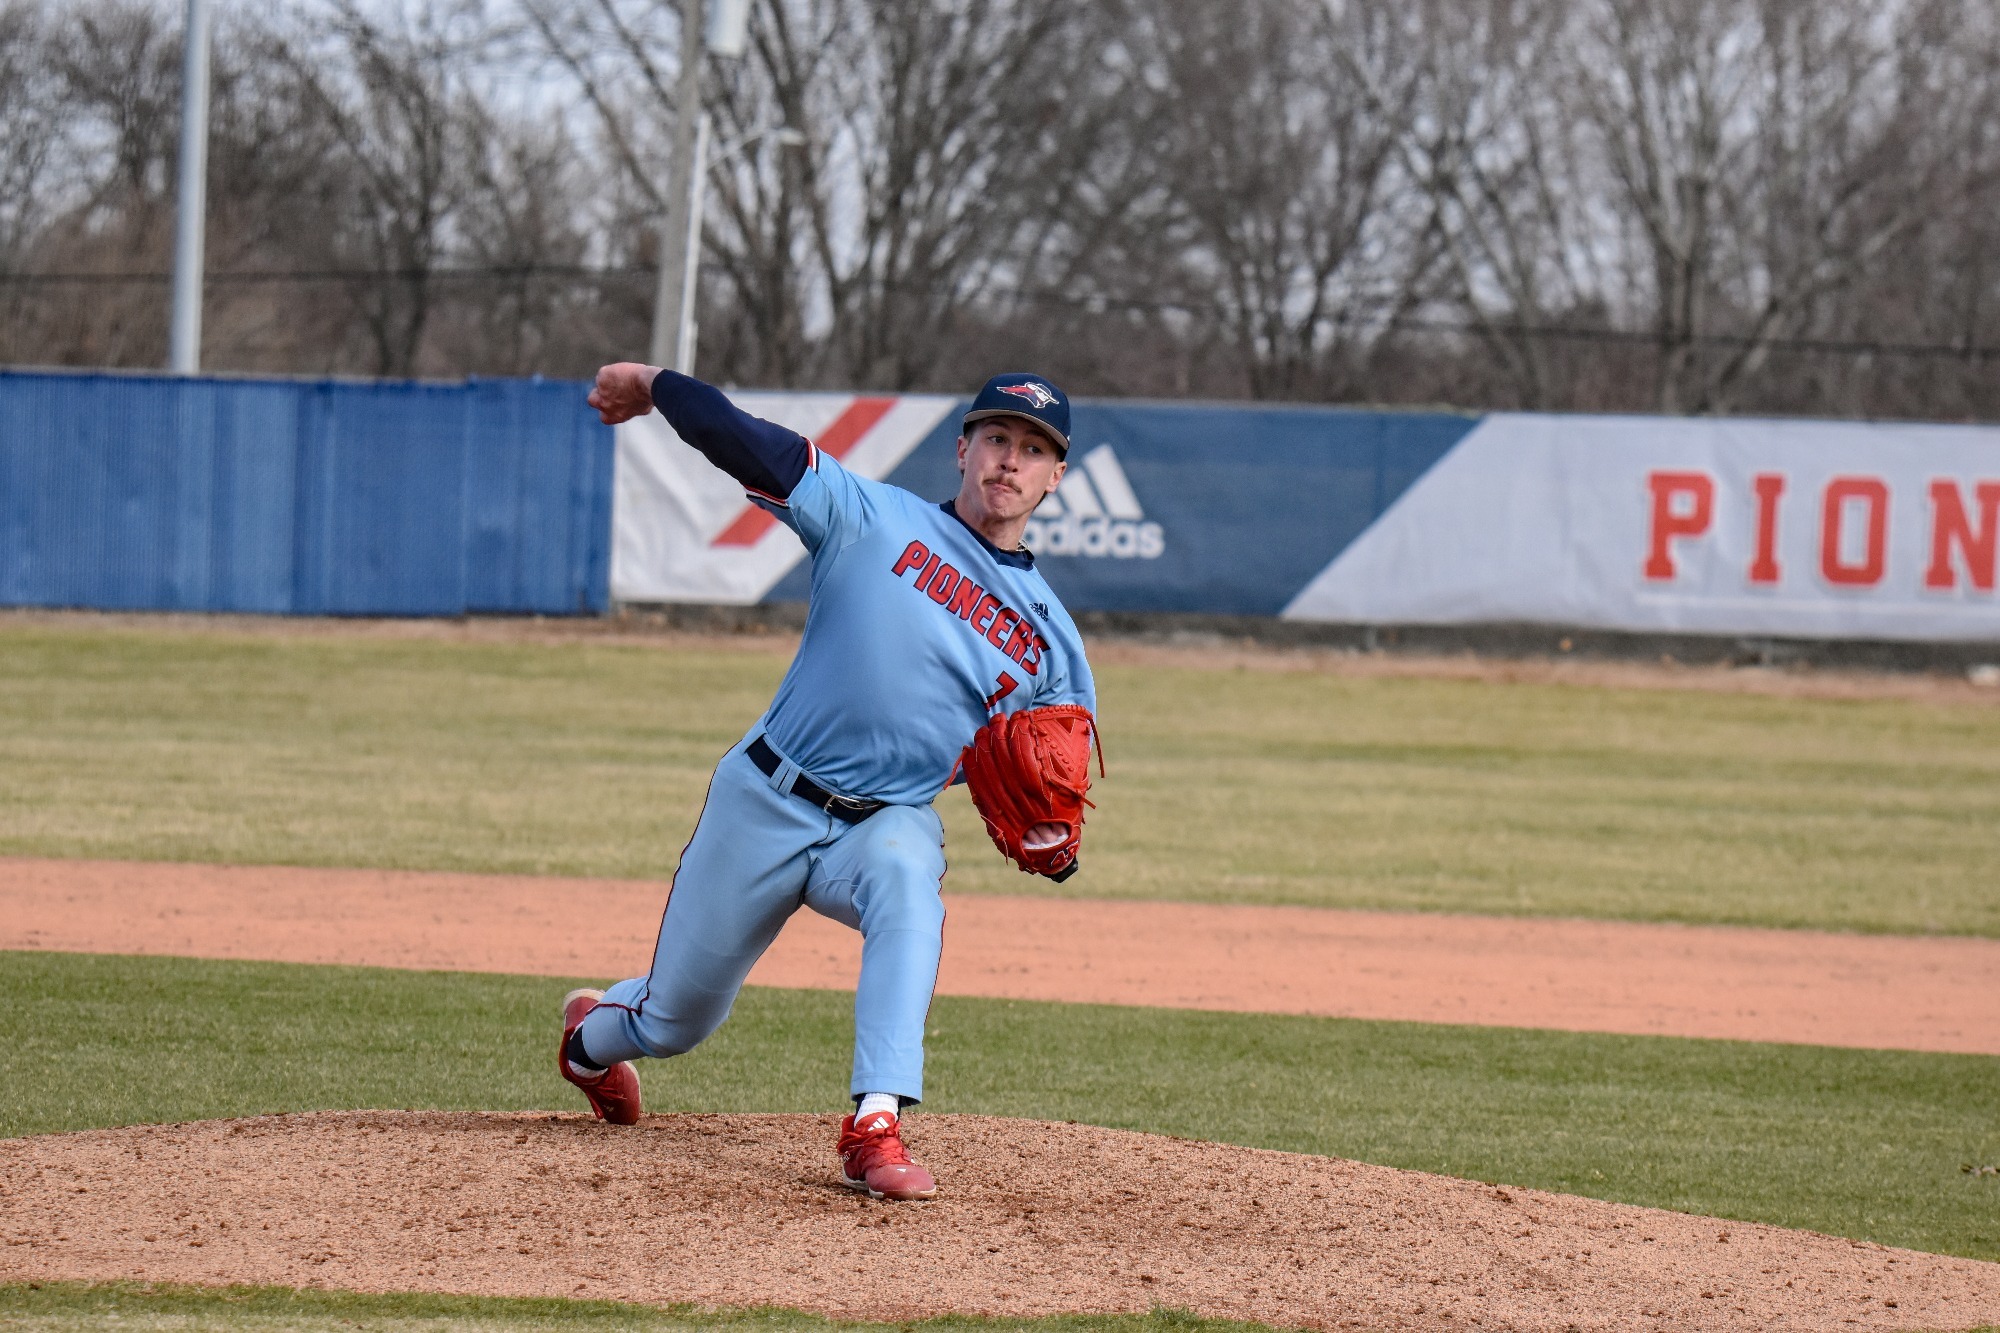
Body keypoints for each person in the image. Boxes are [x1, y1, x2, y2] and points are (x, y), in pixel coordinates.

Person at [560, 363, 1097, 1201]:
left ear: (1055, 476)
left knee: (910, 881)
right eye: (997, 437)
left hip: (883, 822)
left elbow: (1056, 805)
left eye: (1034, 449)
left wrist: (1050, 845)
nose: (1010, 461)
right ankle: (589, 1041)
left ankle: (874, 1121)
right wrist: (653, 382)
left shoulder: (1053, 642)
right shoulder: (870, 516)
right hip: (767, 796)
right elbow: (746, 441)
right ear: (963, 448)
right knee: (674, 1019)